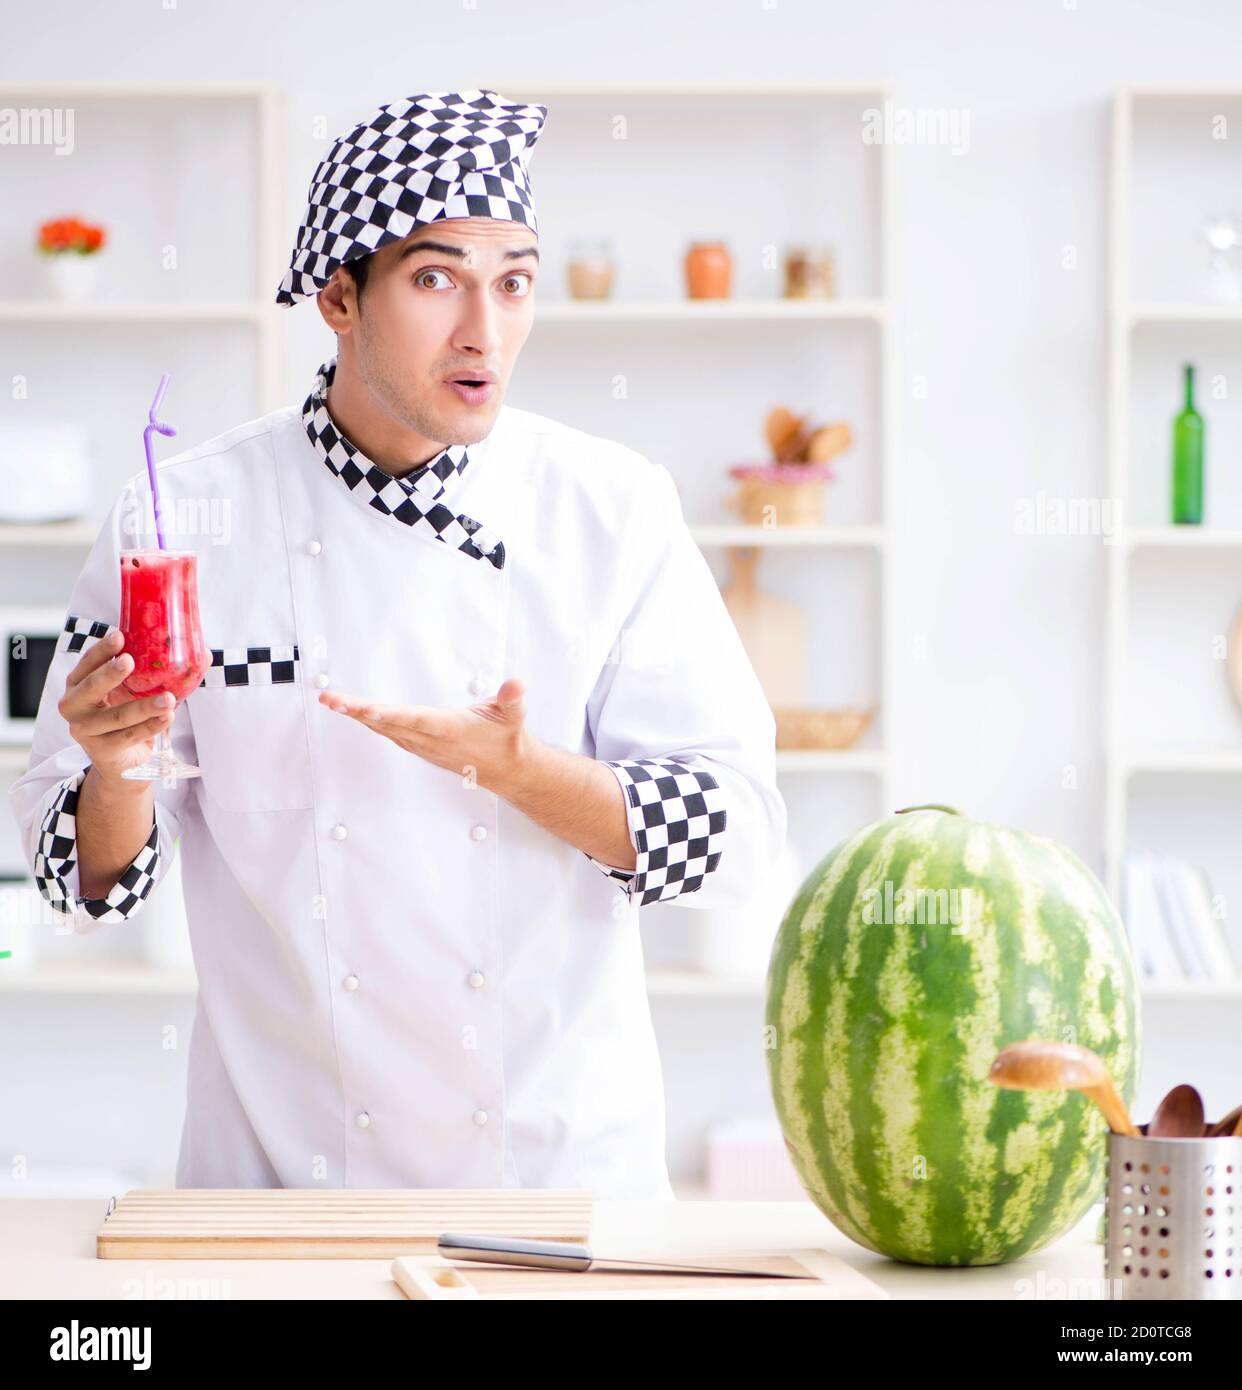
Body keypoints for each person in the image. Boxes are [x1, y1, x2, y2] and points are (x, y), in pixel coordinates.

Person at [11, 89, 786, 1197]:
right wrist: (116, 765)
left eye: (512, 282)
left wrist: (523, 774)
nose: (485, 330)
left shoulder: (612, 506)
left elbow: (741, 833)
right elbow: (81, 886)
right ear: (339, 296)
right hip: (277, 1193)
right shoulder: (177, 519)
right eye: (436, 280)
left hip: (557, 1188)